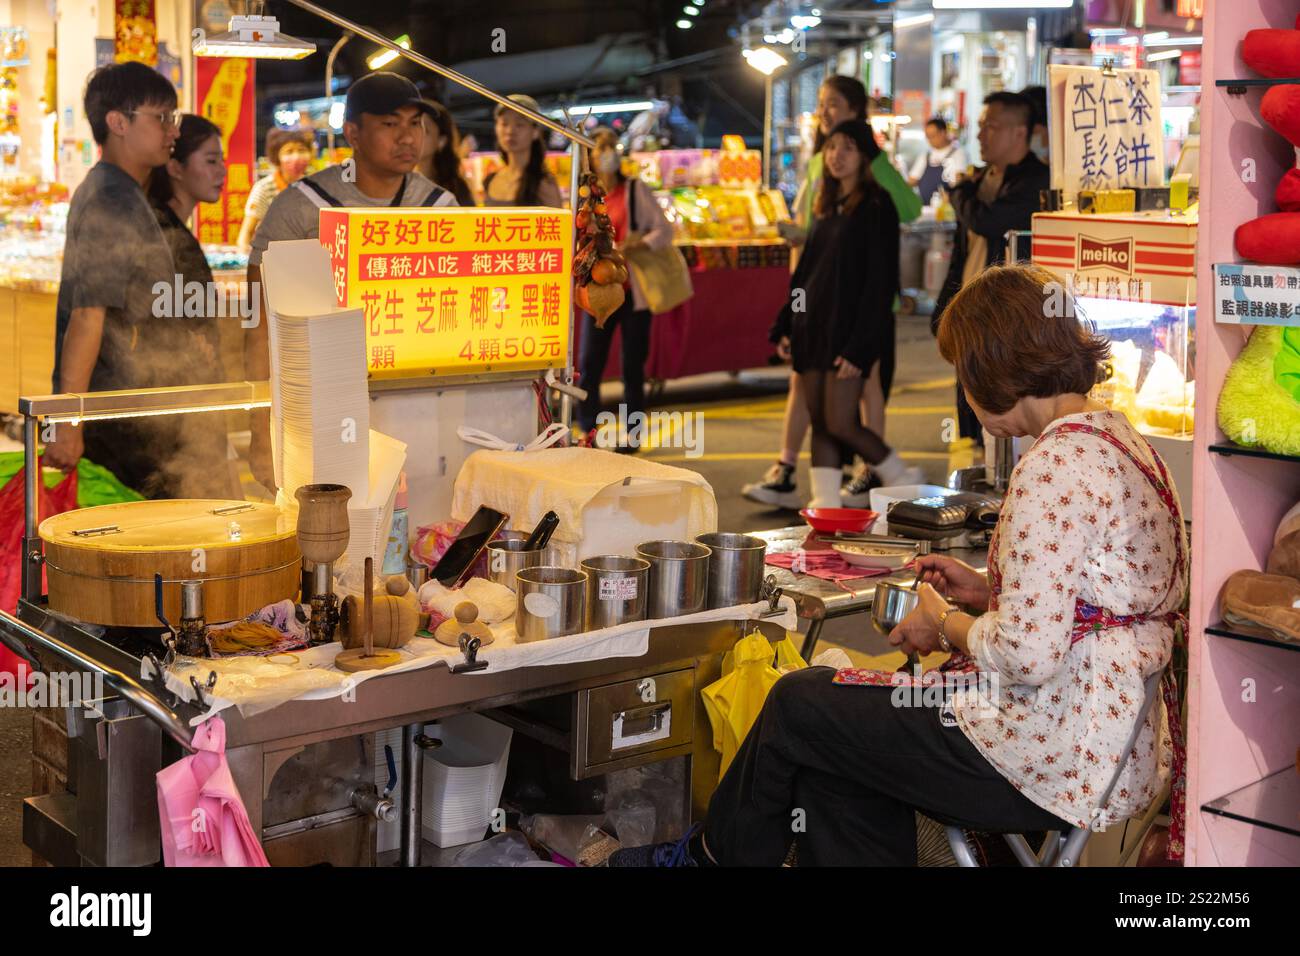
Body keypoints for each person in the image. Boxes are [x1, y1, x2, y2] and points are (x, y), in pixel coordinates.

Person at [612, 265, 1186, 866]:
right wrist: (989, 590)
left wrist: (941, 621)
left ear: (992, 369)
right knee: (830, 757)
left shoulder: (1054, 466)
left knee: (798, 702)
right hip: (1120, 750)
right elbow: (1095, 600)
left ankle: (706, 861)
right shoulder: (1124, 441)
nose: (963, 392)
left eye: (963, 374)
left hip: (1044, 754)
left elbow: (1027, 652)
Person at [244, 72, 459, 493]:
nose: (407, 137)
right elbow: (259, 326)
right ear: (353, 132)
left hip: (420, 402)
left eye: (415, 123)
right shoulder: (300, 209)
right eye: (390, 123)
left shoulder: (439, 207)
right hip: (321, 408)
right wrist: (260, 429)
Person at [747, 75, 922, 510]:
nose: (836, 155)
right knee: (822, 422)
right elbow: (806, 272)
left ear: (864, 155)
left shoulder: (876, 206)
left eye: (847, 148)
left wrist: (862, 346)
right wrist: (787, 323)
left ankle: (901, 479)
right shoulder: (827, 206)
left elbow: (879, 283)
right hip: (813, 327)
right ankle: (825, 510)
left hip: (850, 333)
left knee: (843, 420)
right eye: (830, 148)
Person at [44, 62, 189, 495]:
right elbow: (88, 315)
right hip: (117, 415)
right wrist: (68, 422)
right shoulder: (111, 197)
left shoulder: (124, 191)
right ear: (117, 123)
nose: (173, 131)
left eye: (173, 118)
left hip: (130, 409)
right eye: (161, 118)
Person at [933, 91, 1050, 446]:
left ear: (1020, 133)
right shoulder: (980, 179)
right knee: (969, 412)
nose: (982, 136)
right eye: (981, 127)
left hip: (1006, 320)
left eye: (991, 127)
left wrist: (958, 195)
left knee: (1001, 413)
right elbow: (964, 249)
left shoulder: (1035, 180)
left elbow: (989, 221)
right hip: (971, 311)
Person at [143, 113, 238, 498]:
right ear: (176, 167)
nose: (223, 171)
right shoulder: (166, 237)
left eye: (223, 160)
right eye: (211, 160)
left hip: (180, 417)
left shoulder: (167, 230)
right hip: (176, 422)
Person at [574, 127, 673, 450]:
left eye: (610, 147)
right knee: (590, 364)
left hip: (632, 293)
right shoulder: (587, 196)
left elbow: (664, 231)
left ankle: (633, 436)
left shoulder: (634, 190)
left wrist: (638, 243)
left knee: (633, 367)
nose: (606, 153)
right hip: (599, 293)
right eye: (599, 148)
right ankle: (589, 429)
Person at [235, 126, 314, 255]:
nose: (296, 157)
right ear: (277, 156)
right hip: (270, 260)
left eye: (302, 150)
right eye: (289, 152)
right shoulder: (264, 188)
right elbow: (246, 234)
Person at [482, 94, 564, 208]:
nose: (510, 131)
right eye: (504, 123)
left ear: (535, 131)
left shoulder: (543, 183)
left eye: (519, 124)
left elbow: (559, 223)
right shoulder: (490, 180)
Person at [417, 99, 474, 207]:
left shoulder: (454, 188)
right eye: (413, 126)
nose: (414, 137)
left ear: (441, 141)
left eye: (425, 130)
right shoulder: (393, 182)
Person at [907, 116, 967, 206]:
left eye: (932, 136)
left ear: (943, 133)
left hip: (947, 209)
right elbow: (913, 180)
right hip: (925, 208)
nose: (930, 140)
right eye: (928, 137)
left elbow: (959, 181)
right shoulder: (925, 156)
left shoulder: (958, 154)